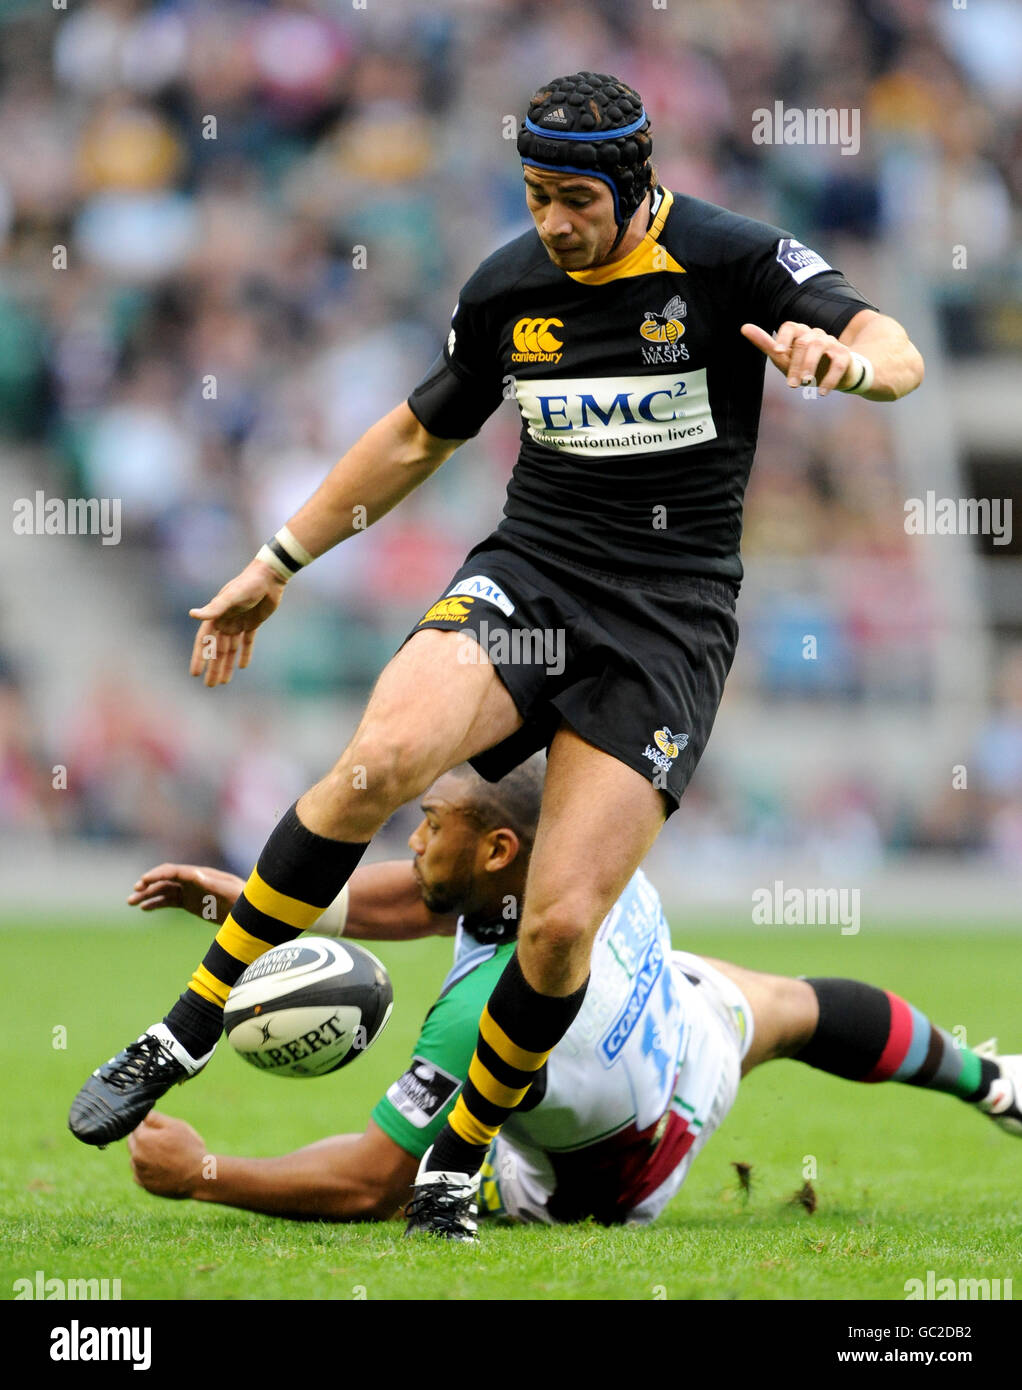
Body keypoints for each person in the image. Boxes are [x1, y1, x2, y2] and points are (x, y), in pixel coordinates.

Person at [69, 71, 925, 1239]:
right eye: (535, 195)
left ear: (633, 185)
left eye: (575, 200)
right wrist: (277, 560)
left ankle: (454, 1160)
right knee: (377, 764)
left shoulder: (731, 259)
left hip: (665, 623)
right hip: (531, 577)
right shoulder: (508, 286)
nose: (553, 222)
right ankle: (183, 1029)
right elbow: (417, 431)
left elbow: (889, 342)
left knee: (558, 925)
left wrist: (851, 366)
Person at [121, 764, 1019, 1235]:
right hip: (686, 1043)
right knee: (800, 1008)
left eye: (432, 825)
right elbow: (425, 901)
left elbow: (369, 1179)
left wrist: (204, 1173)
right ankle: (995, 1083)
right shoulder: (590, 856)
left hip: (611, 1185)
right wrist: (255, 903)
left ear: (498, 852)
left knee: (418, 1187)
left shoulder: (477, 1014)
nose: (415, 839)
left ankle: (507, 1186)